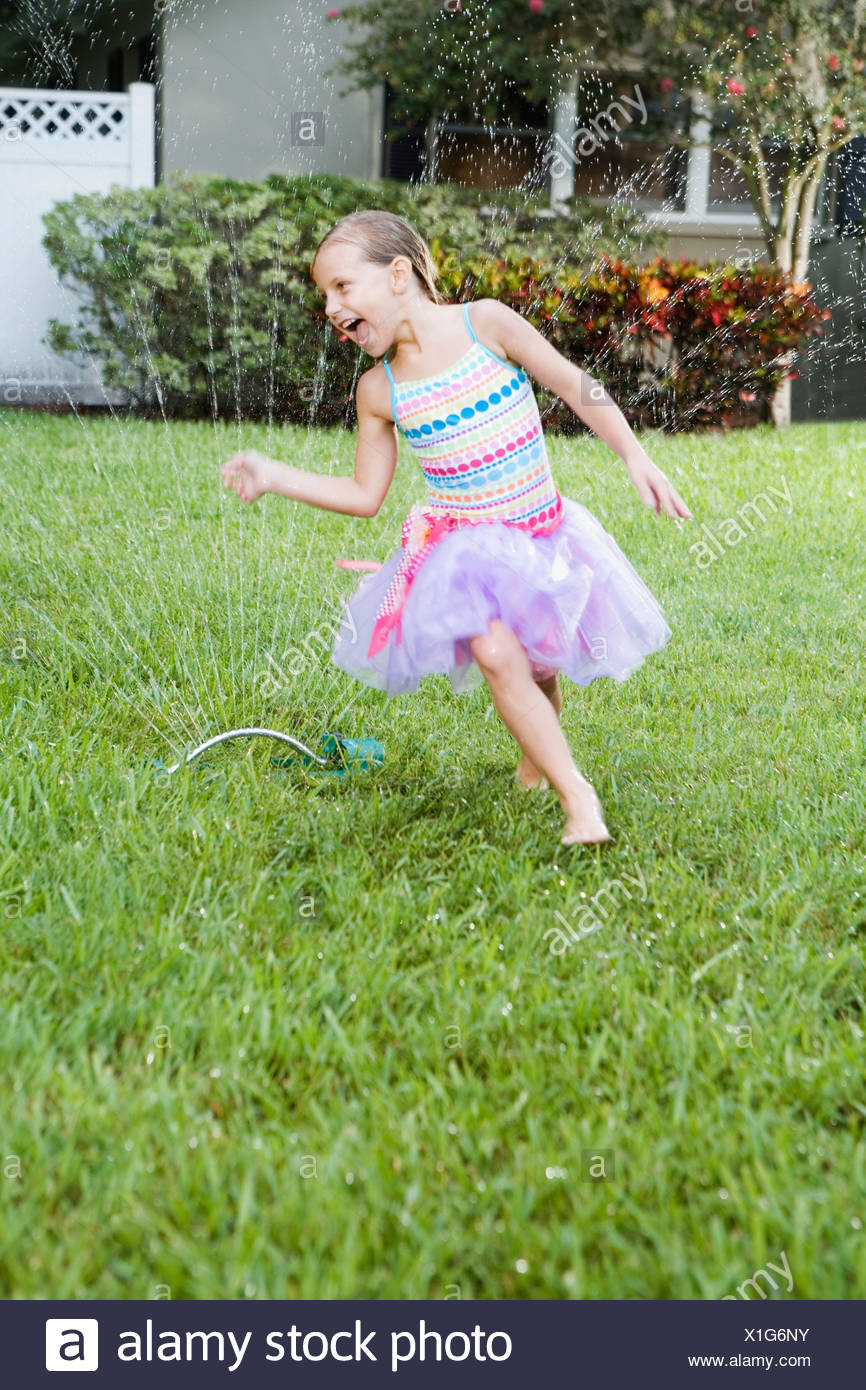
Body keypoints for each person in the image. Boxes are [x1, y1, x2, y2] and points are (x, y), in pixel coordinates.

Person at [221, 211, 692, 846]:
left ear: (396, 275)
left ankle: (536, 754)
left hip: (542, 532)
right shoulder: (378, 390)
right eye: (324, 295)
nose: (331, 307)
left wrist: (636, 456)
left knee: (542, 667)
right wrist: (274, 474)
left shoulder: (487, 324)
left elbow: (576, 387)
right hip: (465, 553)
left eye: (341, 287)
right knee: (499, 656)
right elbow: (365, 496)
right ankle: (579, 799)